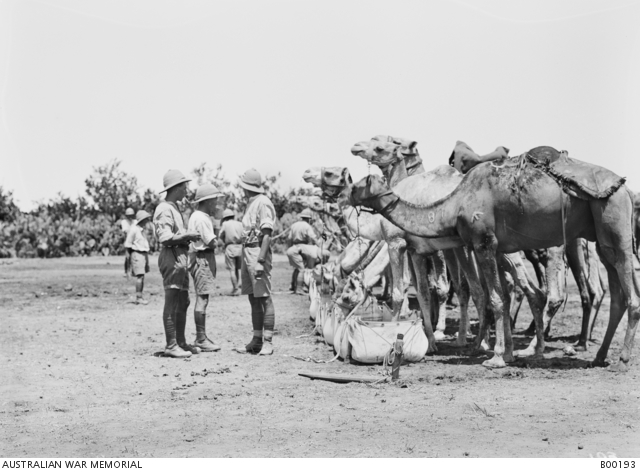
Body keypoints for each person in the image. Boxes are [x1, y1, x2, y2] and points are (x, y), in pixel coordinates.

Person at [153, 170, 201, 358]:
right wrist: (188, 236)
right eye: (183, 186)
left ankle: (180, 342)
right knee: (172, 301)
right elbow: (165, 238)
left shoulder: (174, 208)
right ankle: (171, 344)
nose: (186, 189)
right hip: (171, 257)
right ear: (175, 188)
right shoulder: (164, 208)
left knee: (183, 301)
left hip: (180, 258)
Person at [236, 169, 276, 356]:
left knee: (264, 297)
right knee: (253, 297)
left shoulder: (263, 202)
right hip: (247, 250)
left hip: (257, 251)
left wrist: (260, 260)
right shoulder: (251, 203)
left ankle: (267, 341)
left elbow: (267, 234)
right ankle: (257, 339)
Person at [187, 184, 223, 352]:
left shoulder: (199, 216)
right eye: (215, 200)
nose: (216, 204)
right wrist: (219, 231)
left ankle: (201, 337)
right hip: (203, 259)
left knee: (203, 297)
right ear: (208, 201)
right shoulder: (202, 218)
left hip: (201, 258)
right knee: (202, 299)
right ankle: (201, 338)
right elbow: (213, 243)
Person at [286, 208, 321, 294]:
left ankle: (293, 286)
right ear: (309, 219)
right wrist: (319, 246)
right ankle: (299, 289)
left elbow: (289, 238)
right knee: (302, 269)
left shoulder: (294, 225)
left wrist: (291, 247)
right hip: (302, 246)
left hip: (293, 247)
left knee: (297, 268)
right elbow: (313, 237)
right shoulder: (307, 226)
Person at [125, 210, 152, 305]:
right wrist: (128, 265)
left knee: (142, 276)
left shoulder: (142, 229)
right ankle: (139, 297)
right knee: (140, 276)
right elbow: (128, 245)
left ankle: (140, 296)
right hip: (137, 253)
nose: (148, 220)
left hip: (143, 254)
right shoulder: (134, 229)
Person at [219, 209, 244, 296]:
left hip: (230, 247)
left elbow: (220, 236)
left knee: (232, 270)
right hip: (240, 247)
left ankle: (236, 288)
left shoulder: (225, 224)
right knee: (238, 269)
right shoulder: (240, 224)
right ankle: (238, 287)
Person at [121, 208, 135, 278]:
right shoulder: (124, 222)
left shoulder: (135, 222)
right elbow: (125, 232)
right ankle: (126, 271)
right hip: (127, 242)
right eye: (129, 215)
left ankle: (133, 271)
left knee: (134, 257)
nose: (130, 217)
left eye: (131, 215)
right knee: (127, 257)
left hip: (135, 242)